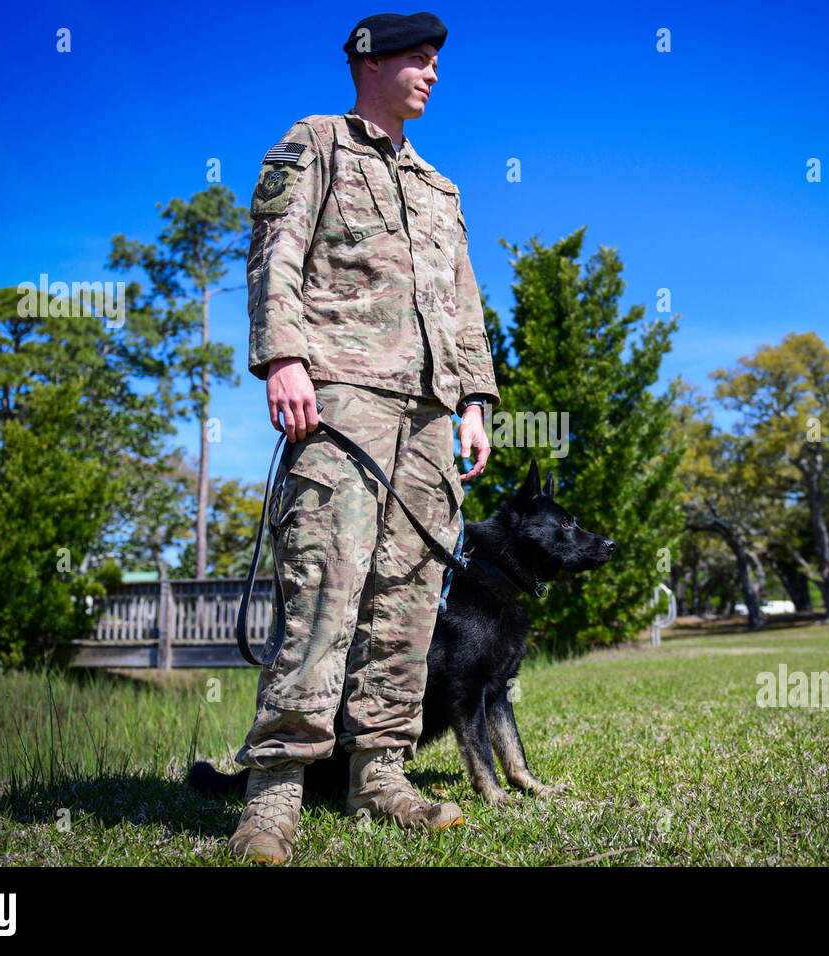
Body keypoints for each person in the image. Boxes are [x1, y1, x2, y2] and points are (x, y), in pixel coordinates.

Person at [228, 11, 501, 864]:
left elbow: (463, 302)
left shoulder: (441, 187)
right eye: (417, 59)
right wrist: (283, 357)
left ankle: (380, 775)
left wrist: (476, 402)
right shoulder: (316, 143)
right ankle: (273, 793)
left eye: (435, 62)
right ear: (368, 61)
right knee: (322, 589)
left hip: (430, 415)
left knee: (409, 600)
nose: (432, 74)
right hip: (338, 400)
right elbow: (275, 253)